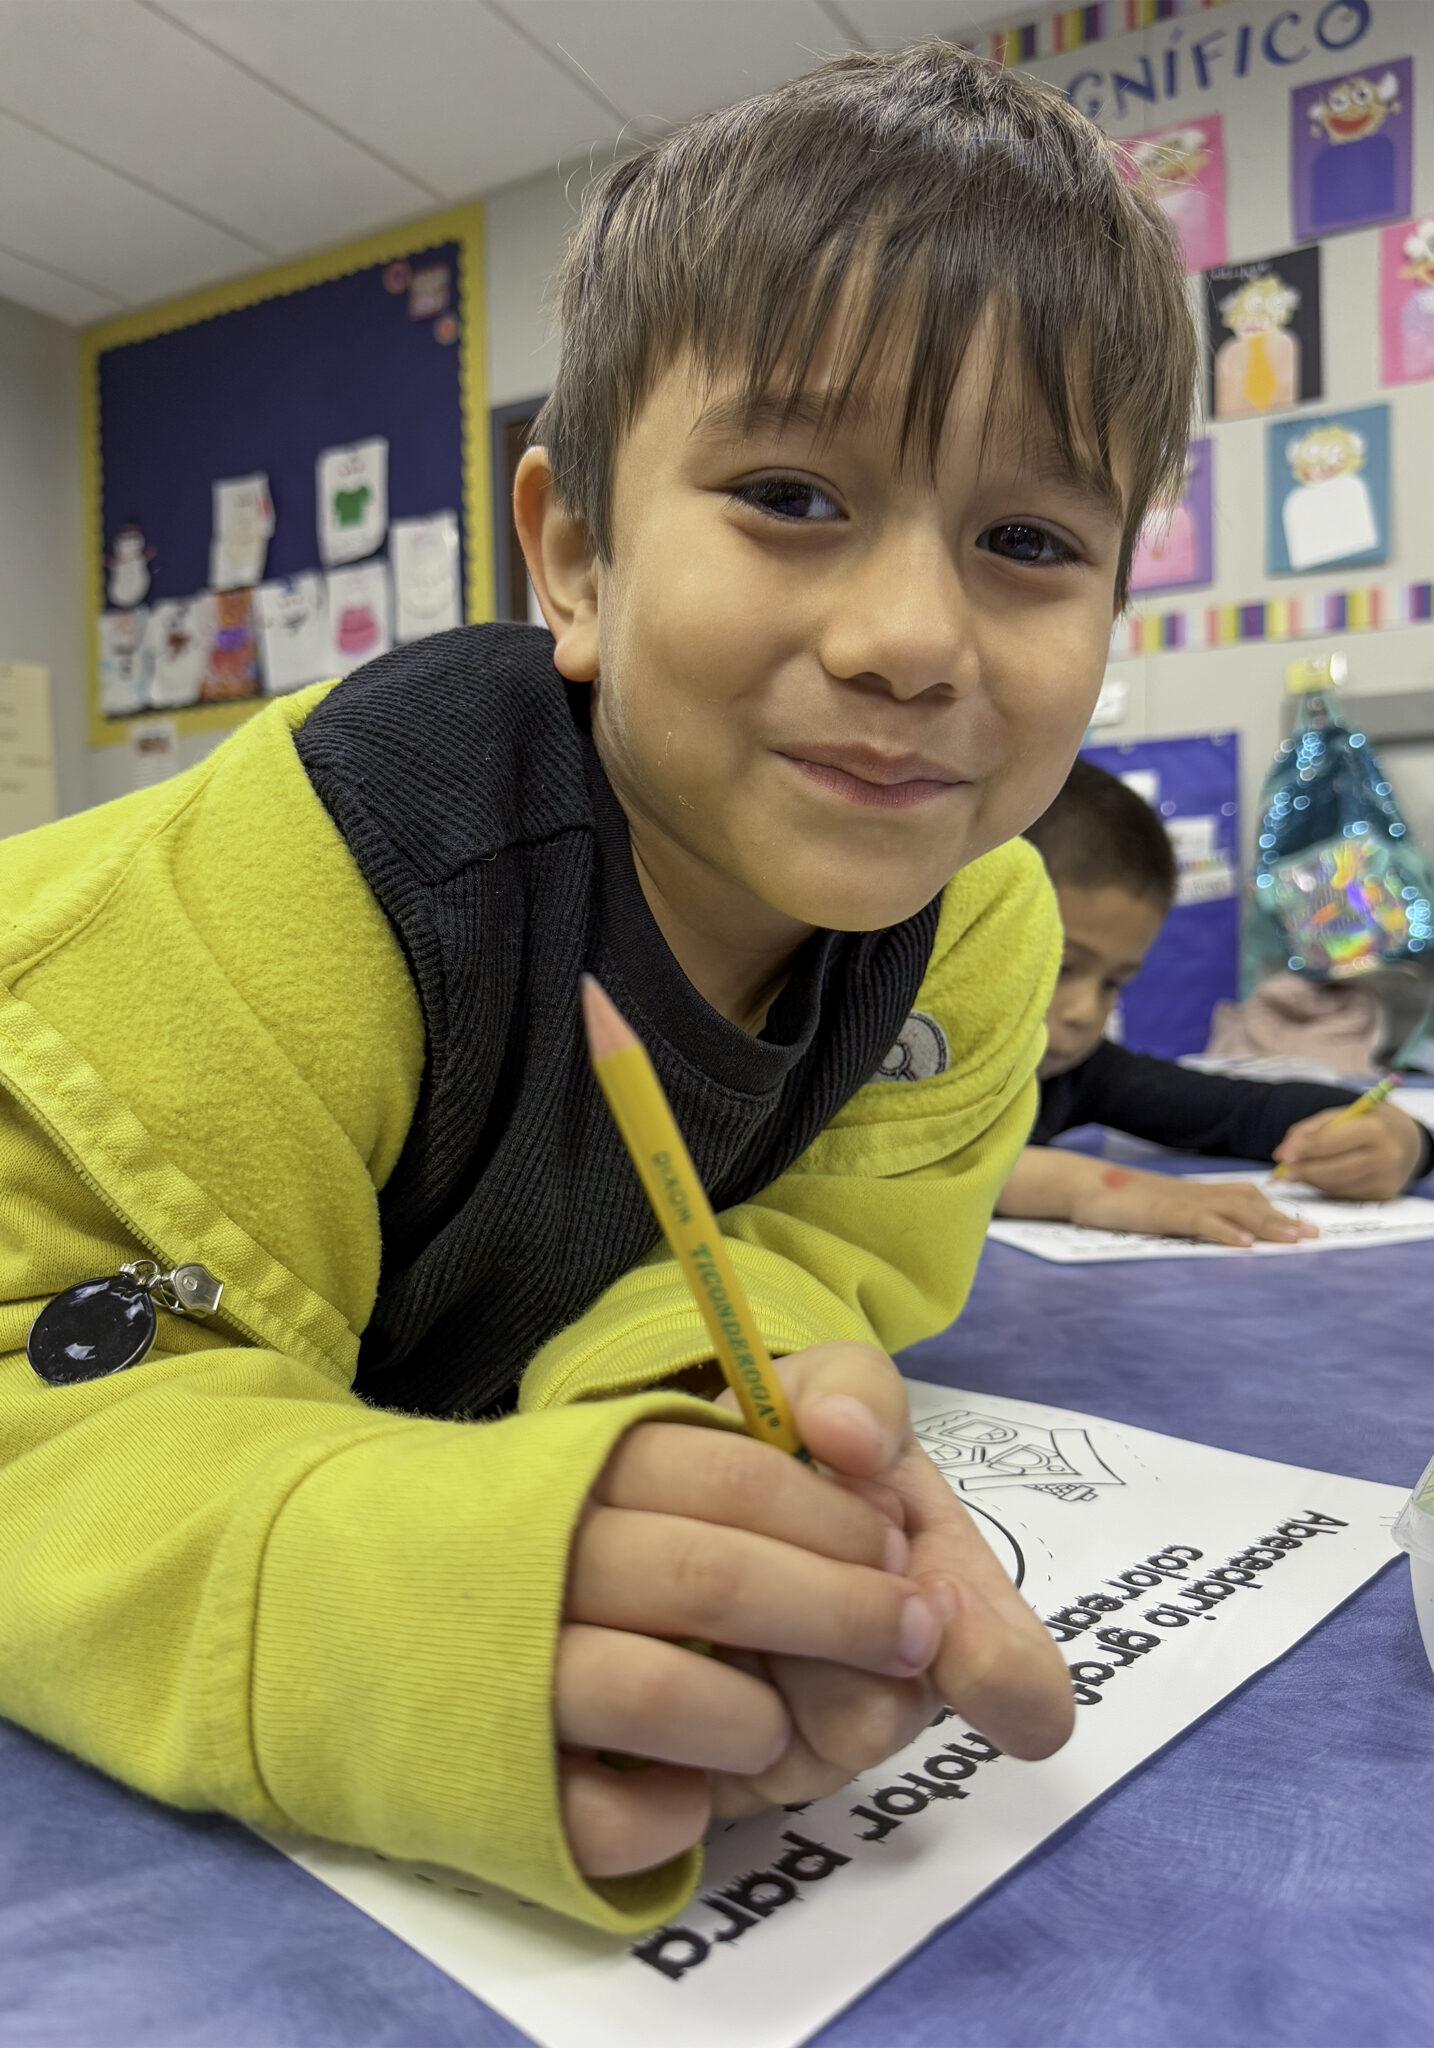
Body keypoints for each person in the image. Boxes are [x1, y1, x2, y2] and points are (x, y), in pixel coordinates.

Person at [0, 43, 1197, 1930]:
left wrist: (710, 1410)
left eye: (1029, 542)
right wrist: (402, 1596)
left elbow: (820, 1241)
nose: (908, 640)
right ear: (572, 555)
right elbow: (45, 1383)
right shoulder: (330, 875)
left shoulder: (978, 928)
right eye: (788, 492)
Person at [999, 760, 1431, 1247]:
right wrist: (1097, 1188)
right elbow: (930, 1163)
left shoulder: (1080, 1072)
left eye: (1113, 984)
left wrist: (1402, 1140)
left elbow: (1245, 1110)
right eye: (1061, 967)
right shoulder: (922, 1051)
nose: (1084, 1012)